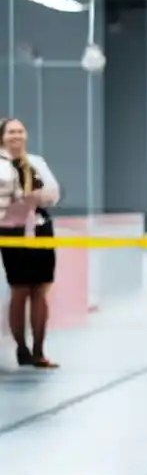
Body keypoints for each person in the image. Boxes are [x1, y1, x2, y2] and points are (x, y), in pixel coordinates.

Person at [0, 118, 60, 369]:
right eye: (11, 132)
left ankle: (38, 350)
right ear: (2, 137)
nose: (16, 135)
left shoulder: (36, 162)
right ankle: (21, 348)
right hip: (11, 231)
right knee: (20, 289)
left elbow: (51, 195)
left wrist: (33, 194)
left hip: (39, 228)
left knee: (41, 289)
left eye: (20, 131)